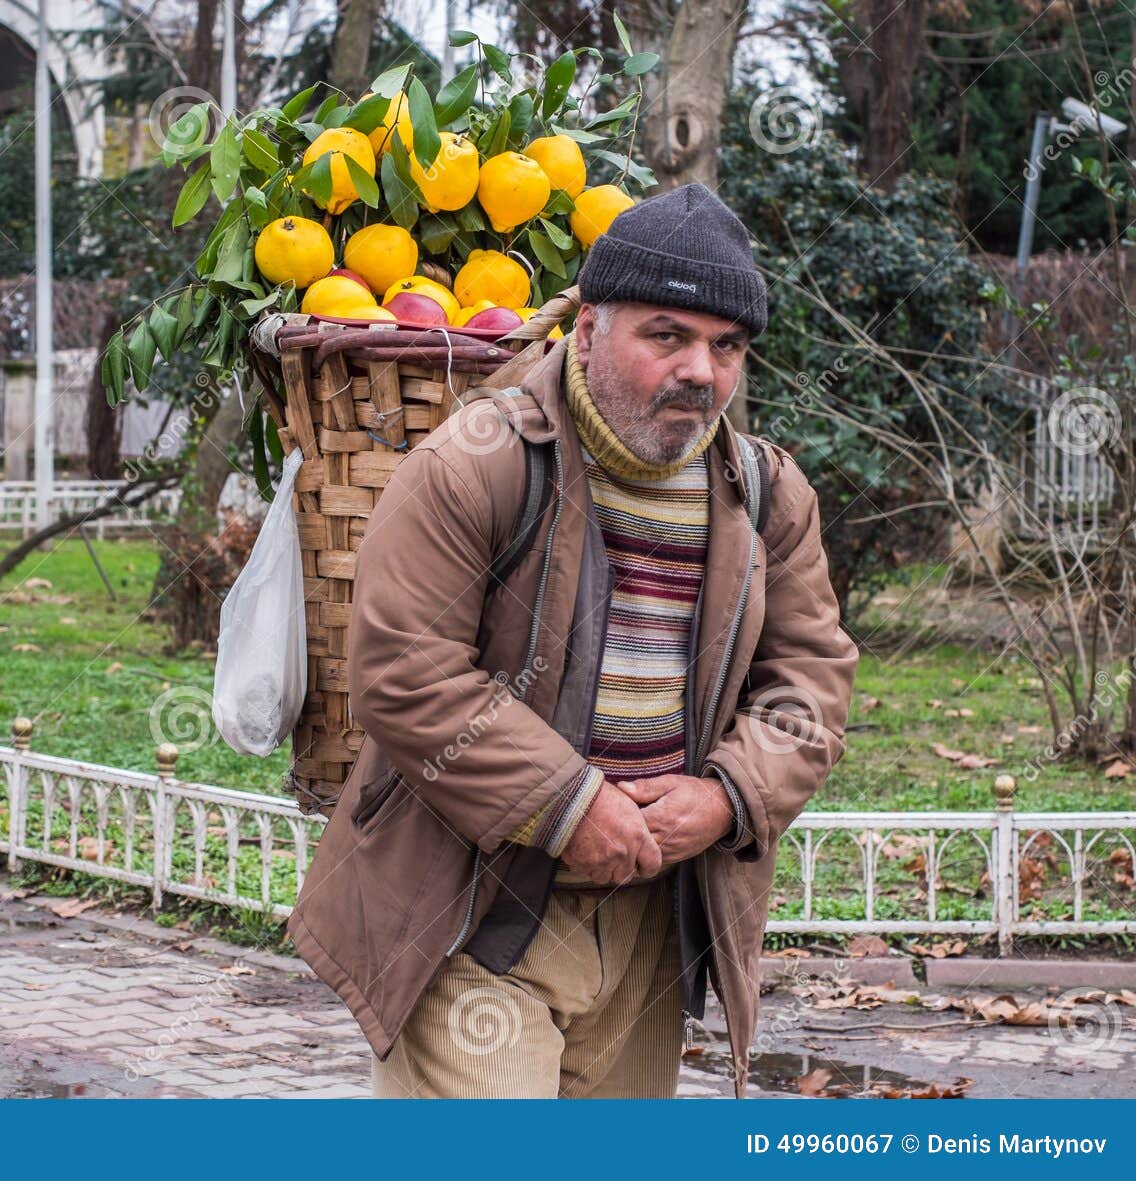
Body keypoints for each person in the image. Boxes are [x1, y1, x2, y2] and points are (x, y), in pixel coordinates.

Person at [285, 183, 859, 1098]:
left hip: (653, 919)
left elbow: (812, 680)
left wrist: (727, 797)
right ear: (587, 328)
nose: (700, 371)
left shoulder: (765, 493)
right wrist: (568, 805)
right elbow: (405, 675)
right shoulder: (476, 462)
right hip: (472, 901)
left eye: (727, 346)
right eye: (665, 335)